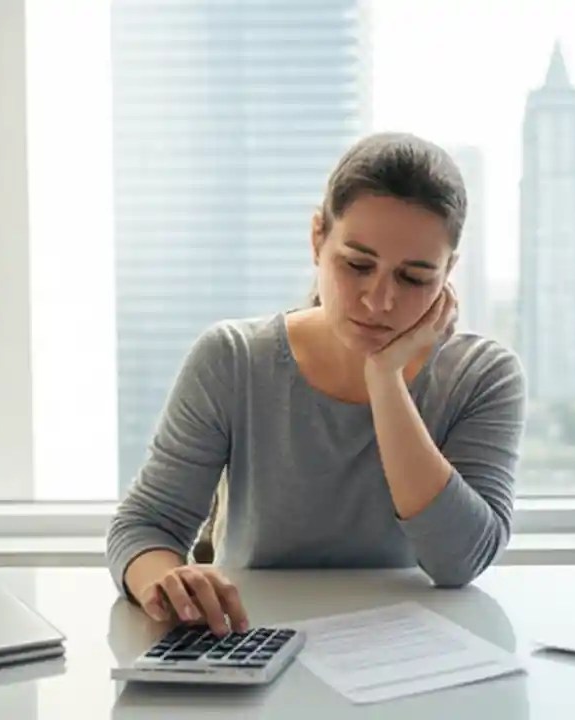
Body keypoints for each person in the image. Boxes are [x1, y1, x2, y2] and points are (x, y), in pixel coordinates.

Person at [106, 132, 527, 637]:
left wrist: (385, 378)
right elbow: (145, 524)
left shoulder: (483, 377)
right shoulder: (233, 358)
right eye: (357, 265)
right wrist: (170, 584)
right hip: (251, 639)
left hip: (415, 656)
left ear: (448, 275)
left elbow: (461, 560)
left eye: (414, 278)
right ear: (317, 239)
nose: (379, 301)